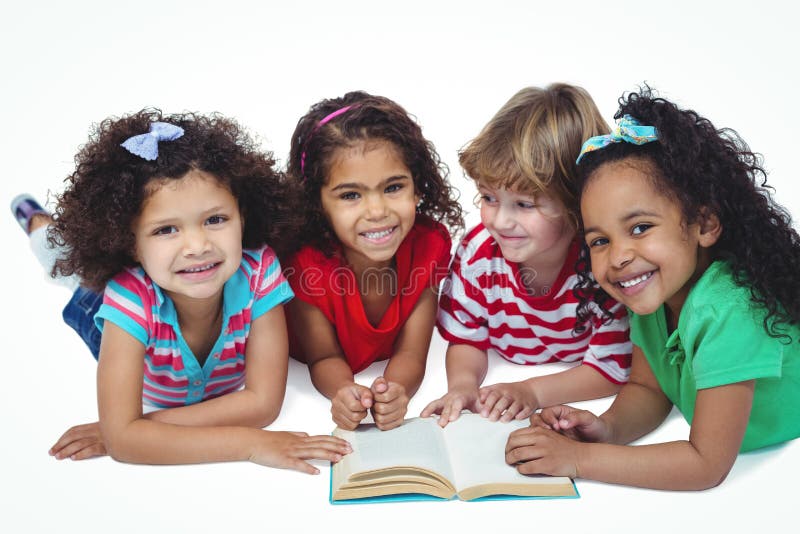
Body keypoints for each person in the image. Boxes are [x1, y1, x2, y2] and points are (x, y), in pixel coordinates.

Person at [11, 111, 350, 472]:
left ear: (243, 217)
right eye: (166, 230)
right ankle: (37, 222)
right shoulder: (127, 297)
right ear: (131, 244)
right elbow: (125, 443)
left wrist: (136, 430)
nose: (197, 245)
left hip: (156, 317)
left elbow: (263, 405)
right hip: (105, 312)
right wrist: (251, 444)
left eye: (215, 220)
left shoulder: (260, 270)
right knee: (66, 265)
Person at [506, 87, 800, 490]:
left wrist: (579, 459)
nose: (619, 257)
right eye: (599, 240)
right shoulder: (651, 294)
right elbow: (648, 389)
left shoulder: (729, 310)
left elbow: (705, 465)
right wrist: (605, 428)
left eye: (640, 228)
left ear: (704, 224)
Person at [421, 84, 632, 427]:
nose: (500, 221)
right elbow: (467, 338)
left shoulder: (603, 266)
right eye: (489, 198)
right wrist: (463, 386)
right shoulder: (478, 254)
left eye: (523, 204)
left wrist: (532, 392)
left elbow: (611, 369)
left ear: (575, 201)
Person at [284, 91, 464, 431]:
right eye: (351, 195)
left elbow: (411, 353)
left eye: (393, 187)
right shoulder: (305, 264)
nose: (377, 211)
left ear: (418, 187)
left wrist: (395, 391)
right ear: (317, 202)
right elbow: (324, 357)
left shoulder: (429, 245)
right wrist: (344, 392)